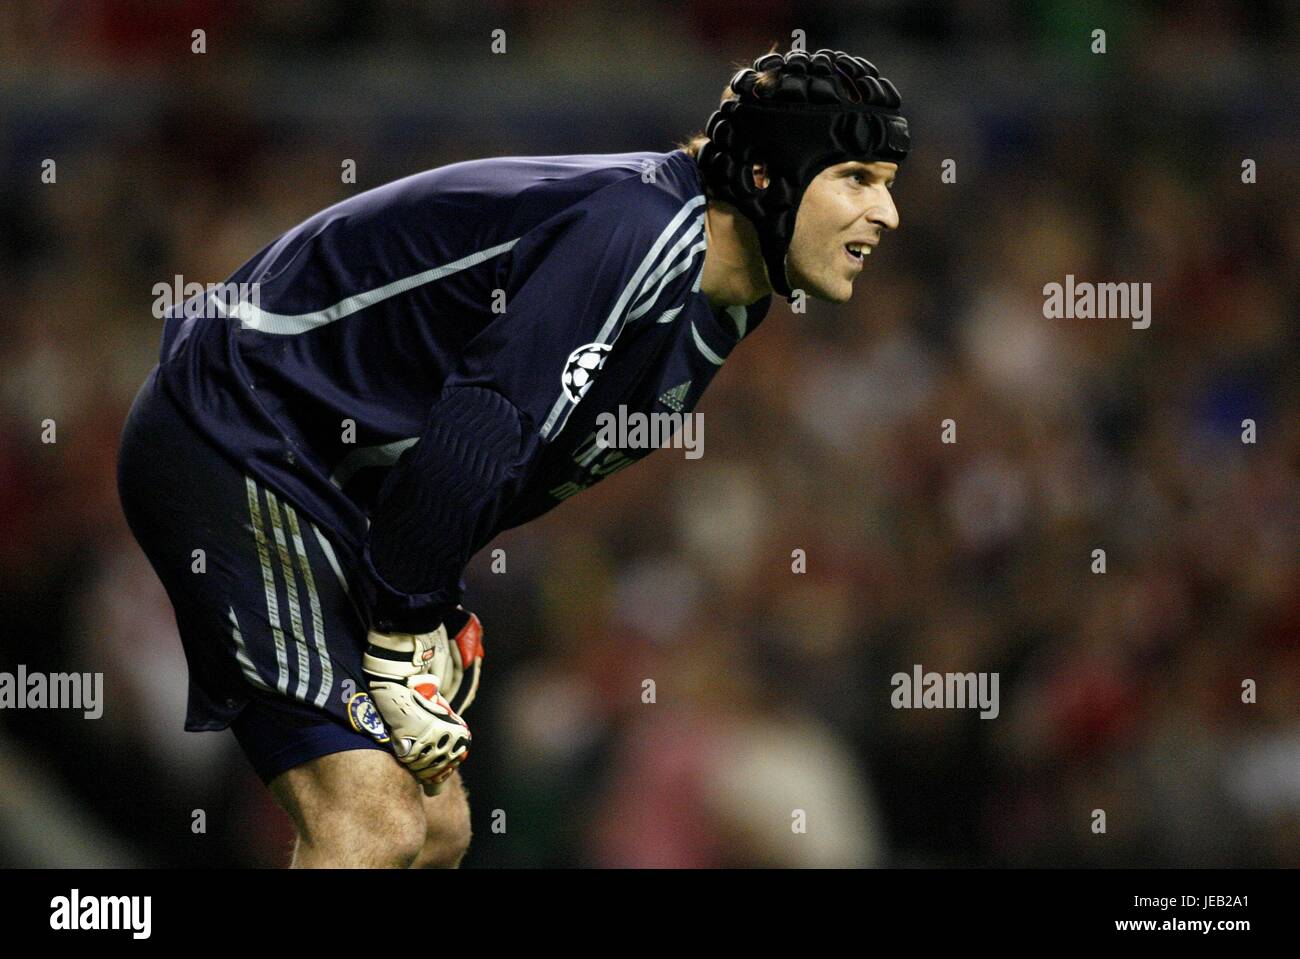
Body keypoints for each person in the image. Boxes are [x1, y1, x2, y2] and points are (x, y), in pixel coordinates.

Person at [116, 47, 909, 868]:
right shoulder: (638, 229)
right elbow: (483, 423)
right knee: (372, 820)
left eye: (888, 181)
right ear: (768, 177)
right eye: (856, 176)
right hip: (235, 426)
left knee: (437, 831)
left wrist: (428, 599)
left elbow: (513, 457)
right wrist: (403, 618)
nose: (887, 212)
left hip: (333, 488)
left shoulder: (727, 301)